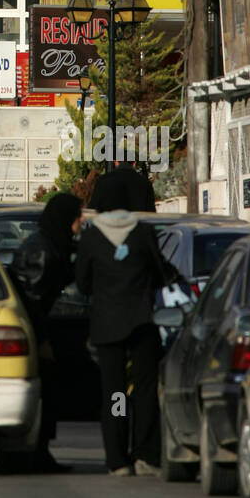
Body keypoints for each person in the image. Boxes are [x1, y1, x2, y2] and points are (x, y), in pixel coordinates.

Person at [75, 169, 183, 477]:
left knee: (115, 392)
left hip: (107, 326)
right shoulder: (142, 233)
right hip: (142, 323)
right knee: (146, 390)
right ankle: (145, 454)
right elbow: (162, 274)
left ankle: (117, 459)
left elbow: (82, 284)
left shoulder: (92, 237)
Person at [10, 193, 84, 473]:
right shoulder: (42, 250)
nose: (82, 220)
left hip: (42, 331)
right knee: (43, 393)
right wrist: (41, 341)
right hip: (34, 333)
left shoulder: (54, 244)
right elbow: (34, 302)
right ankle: (36, 452)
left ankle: (41, 451)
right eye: (78, 215)